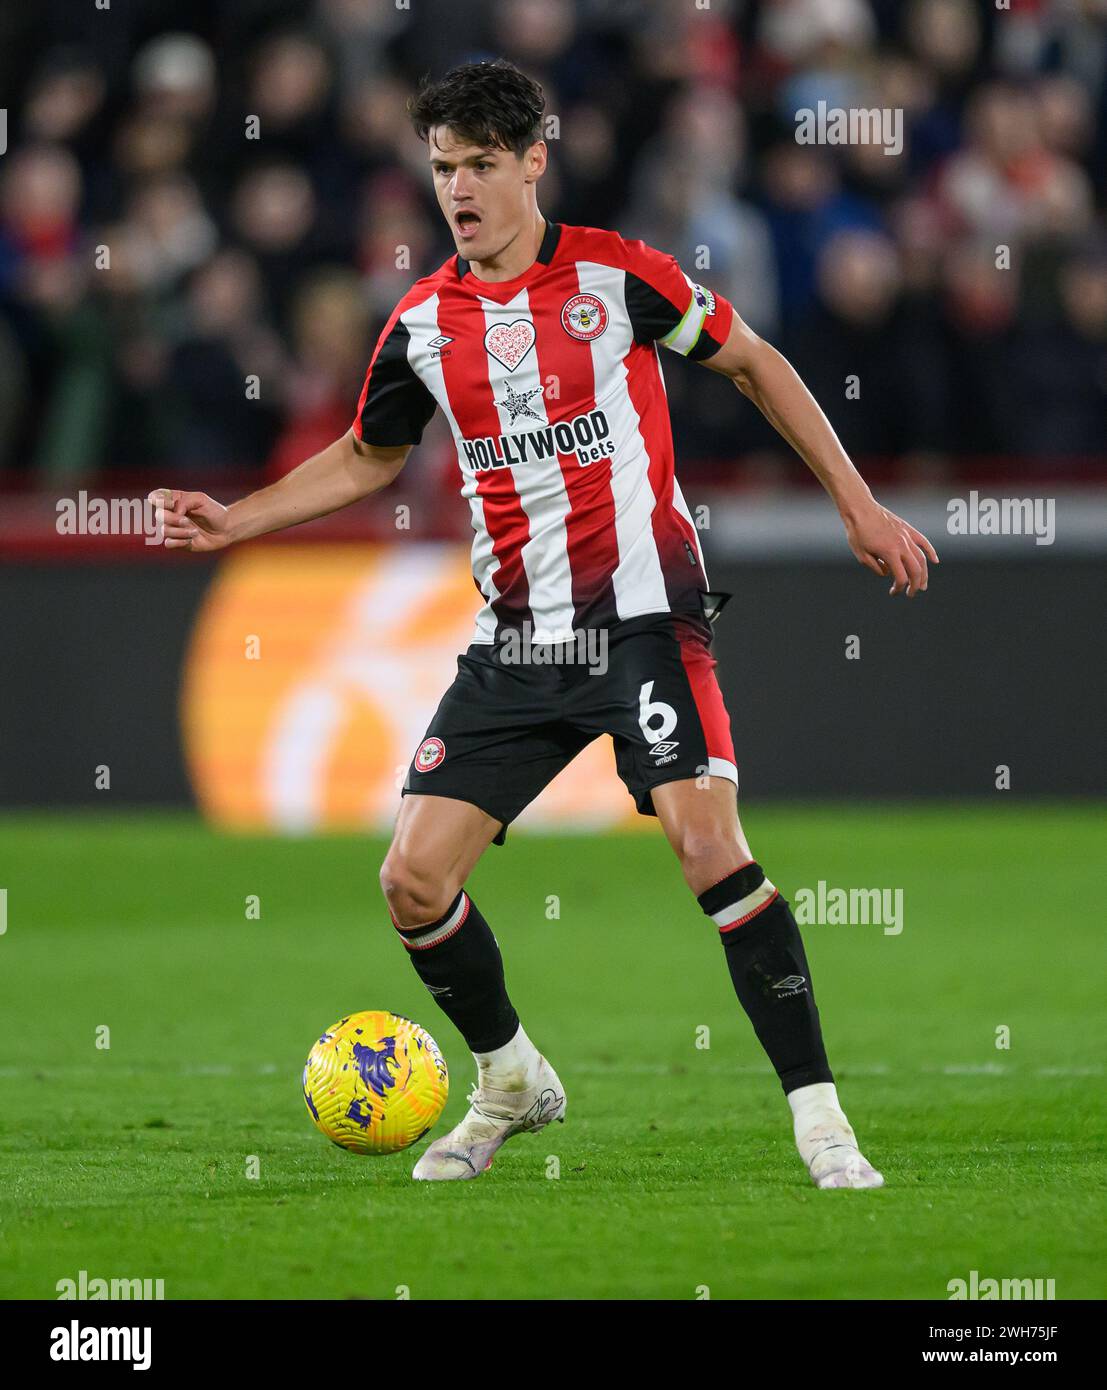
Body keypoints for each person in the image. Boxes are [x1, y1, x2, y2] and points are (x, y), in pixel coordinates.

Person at [152, 60, 938, 1189]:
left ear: (533, 161)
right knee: (411, 883)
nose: (459, 190)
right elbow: (372, 454)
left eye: (479, 165)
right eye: (441, 169)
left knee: (706, 845)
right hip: (520, 638)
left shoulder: (621, 278)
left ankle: (822, 1123)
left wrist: (858, 505)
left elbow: (757, 364)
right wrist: (238, 521)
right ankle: (513, 1079)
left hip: (646, 621)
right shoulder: (425, 322)